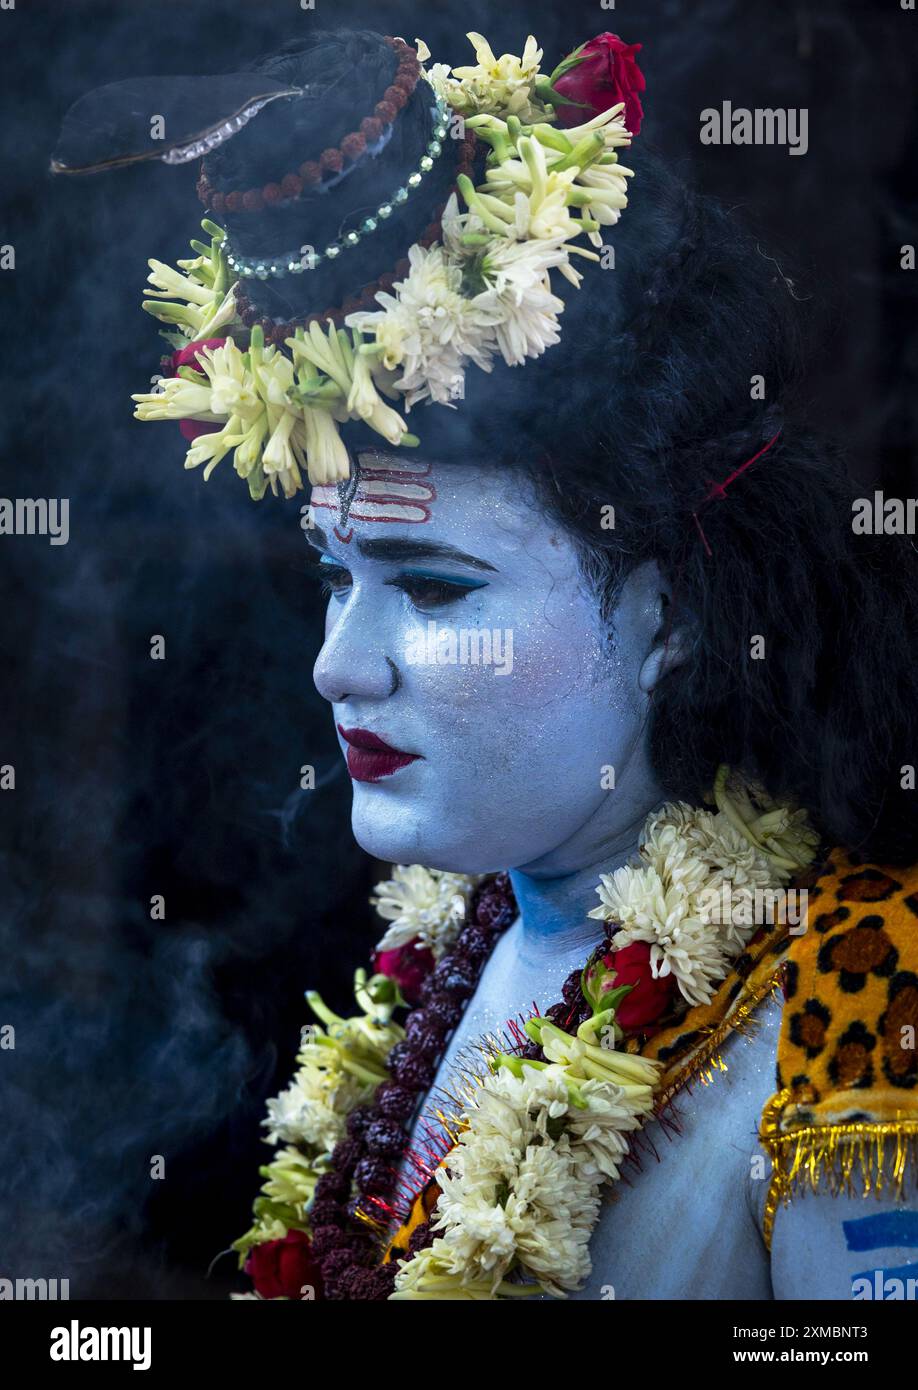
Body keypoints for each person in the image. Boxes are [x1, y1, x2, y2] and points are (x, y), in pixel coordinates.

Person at [54, 27, 918, 1301]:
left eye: (438, 587)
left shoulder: (864, 1015)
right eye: (335, 577)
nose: (338, 669)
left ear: (674, 612)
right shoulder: (460, 931)